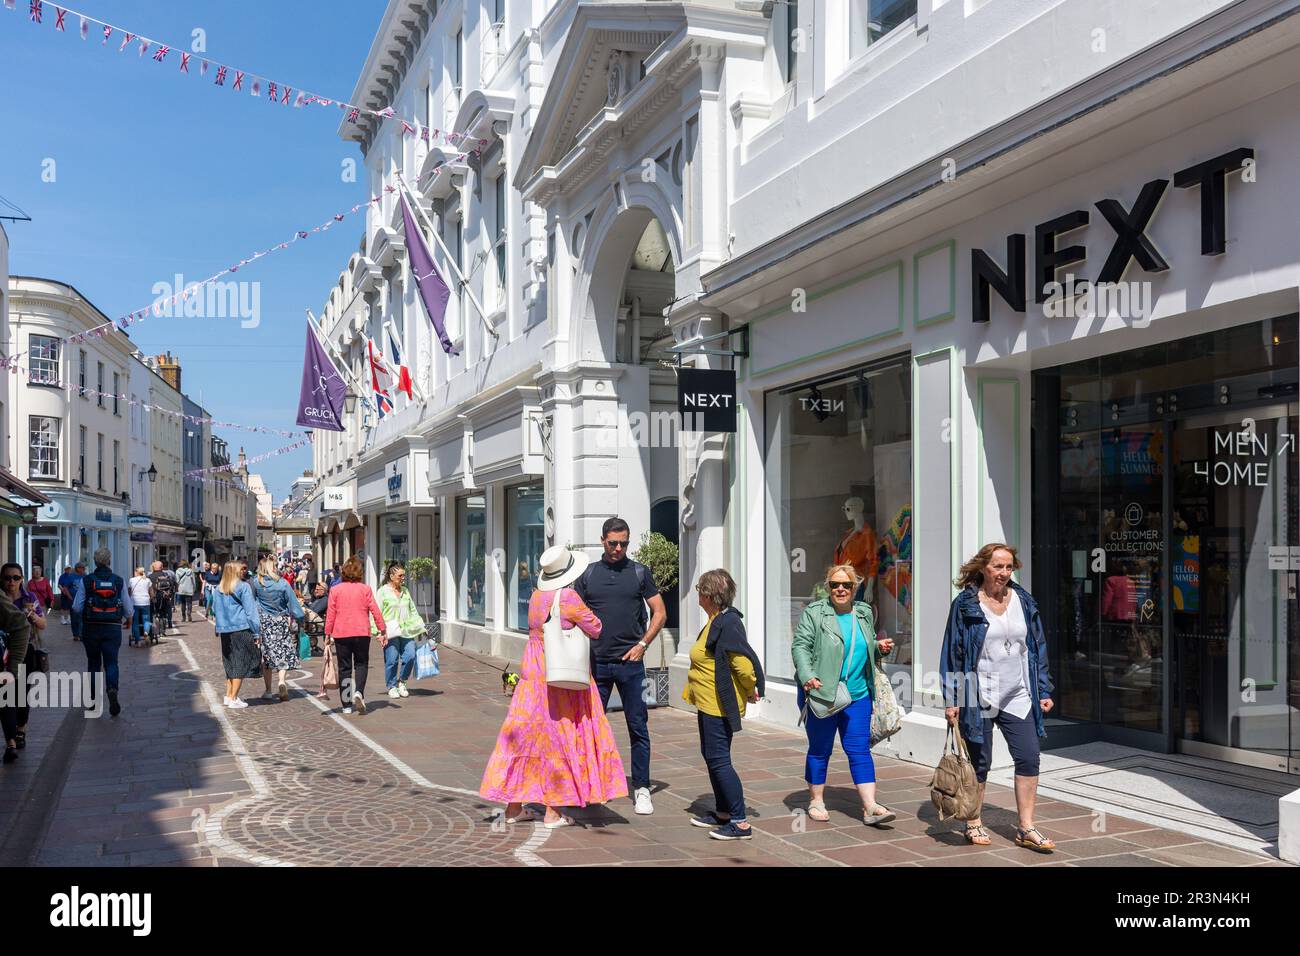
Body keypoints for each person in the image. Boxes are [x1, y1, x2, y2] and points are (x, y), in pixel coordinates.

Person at [480, 544, 628, 826]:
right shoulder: (569, 596)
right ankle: (553, 810)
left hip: (532, 672)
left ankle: (514, 807)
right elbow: (595, 627)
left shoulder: (536, 596)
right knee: (560, 735)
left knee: (526, 735)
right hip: (559, 674)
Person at [941, 543, 1056, 852]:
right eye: (998, 567)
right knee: (980, 762)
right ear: (983, 568)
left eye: (1009, 567)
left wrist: (1043, 689)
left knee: (1029, 757)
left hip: (1018, 693)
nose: (1004, 573)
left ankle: (1026, 827)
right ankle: (973, 821)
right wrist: (953, 698)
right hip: (979, 694)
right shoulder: (965, 604)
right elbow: (953, 653)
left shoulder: (1024, 601)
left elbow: (1037, 648)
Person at [572, 516, 666, 815]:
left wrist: (643, 645)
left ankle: (641, 788)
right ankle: (593, 785)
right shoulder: (588, 575)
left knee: (638, 726)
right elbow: (571, 614)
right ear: (602, 541)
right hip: (596, 664)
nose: (618, 548)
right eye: (613, 543)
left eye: (624, 543)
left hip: (631, 665)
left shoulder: (639, 572)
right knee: (589, 728)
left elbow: (660, 613)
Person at [792, 563, 896, 827]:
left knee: (859, 750)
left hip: (858, 694)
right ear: (828, 587)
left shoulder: (862, 613)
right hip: (823, 692)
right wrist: (807, 676)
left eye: (846, 585)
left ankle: (870, 806)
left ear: (854, 588)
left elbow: (862, 646)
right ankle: (816, 800)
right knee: (820, 749)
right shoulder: (815, 613)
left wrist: (878, 647)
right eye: (835, 585)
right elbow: (801, 646)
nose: (841, 589)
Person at [683, 569, 764, 840]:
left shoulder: (727, 623)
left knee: (720, 761)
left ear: (708, 595)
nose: (698, 595)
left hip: (718, 705)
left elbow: (741, 664)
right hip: (707, 702)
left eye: (700, 591)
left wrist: (751, 688)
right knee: (712, 757)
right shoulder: (715, 620)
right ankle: (724, 812)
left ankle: (740, 823)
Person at [71, 548, 131, 717]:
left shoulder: (87, 581)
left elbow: (76, 607)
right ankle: (112, 689)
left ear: (95, 562)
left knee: (93, 663)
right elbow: (128, 609)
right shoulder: (118, 581)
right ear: (109, 561)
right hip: (112, 627)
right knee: (112, 663)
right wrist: (126, 618)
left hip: (91, 627)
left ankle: (94, 700)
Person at [324, 556, 386, 715]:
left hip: (341, 633)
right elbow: (375, 610)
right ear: (360, 572)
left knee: (345, 668)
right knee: (361, 663)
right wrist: (382, 629)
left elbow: (330, 614)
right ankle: (359, 692)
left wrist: (327, 633)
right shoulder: (365, 589)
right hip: (361, 632)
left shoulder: (336, 590)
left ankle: (346, 704)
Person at [0, 563, 43, 760]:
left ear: (22, 579)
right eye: (8, 578)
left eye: (16, 578)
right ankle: (11, 740)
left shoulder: (29, 598)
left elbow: (42, 625)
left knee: (21, 693)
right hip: (3, 652)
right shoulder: (1, 598)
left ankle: (21, 729)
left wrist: (31, 615)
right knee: (7, 694)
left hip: (26, 651)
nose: (11, 582)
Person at [210, 561, 264, 709]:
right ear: (234, 571)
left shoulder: (218, 589)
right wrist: (257, 632)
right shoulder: (242, 587)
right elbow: (251, 611)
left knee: (230, 663)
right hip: (241, 628)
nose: (244, 572)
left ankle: (229, 695)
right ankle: (233, 697)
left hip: (225, 630)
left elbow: (214, 609)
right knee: (242, 662)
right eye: (241, 570)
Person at [250, 557, 305, 702]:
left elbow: (252, 602)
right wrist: (301, 618)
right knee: (283, 651)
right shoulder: (283, 584)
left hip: (265, 623)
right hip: (280, 621)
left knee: (267, 656)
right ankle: (281, 680)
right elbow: (293, 604)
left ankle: (268, 690)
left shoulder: (257, 582)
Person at [373, 562, 425, 699]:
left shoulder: (405, 591)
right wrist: (378, 632)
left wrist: (421, 627)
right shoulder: (382, 591)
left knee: (410, 656)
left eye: (404, 575)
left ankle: (402, 681)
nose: (403, 578)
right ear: (391, 576)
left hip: (407, 630)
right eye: (400, 575)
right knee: (392, 660)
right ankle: (391, 686)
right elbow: (376, 612)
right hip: (389, 632)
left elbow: (412, 610)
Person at [127, 566, 154, 647]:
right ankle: (146, 633)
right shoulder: (147, 580)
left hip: (134, 603)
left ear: (136, 572)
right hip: (145, 602)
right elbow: (151, 591)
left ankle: (138, 640)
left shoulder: (131, 580)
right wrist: (152, 598)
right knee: (146, 620)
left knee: (135, 622)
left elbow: (129, 592)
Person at [149, 560, 176, 636]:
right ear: (161, 567)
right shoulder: (166, 575)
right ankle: (162, 631)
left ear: (153, 567)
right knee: (163, 614)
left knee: (153, 614)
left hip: (154, 598)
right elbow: (172, 586)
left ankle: (154, 631)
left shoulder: (150, 576)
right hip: (164, 598)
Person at [66, 562, 86, 641]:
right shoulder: (71, 576)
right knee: (74, 618)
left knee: (82, 618)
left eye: (84, 568)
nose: (83, 570)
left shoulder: (85, 576)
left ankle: (81, 634)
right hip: (73, 600)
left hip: (83, 600)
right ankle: (75, 634)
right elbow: (65, 587)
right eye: (82, 568)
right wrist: (69, 597)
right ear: (77, 568)